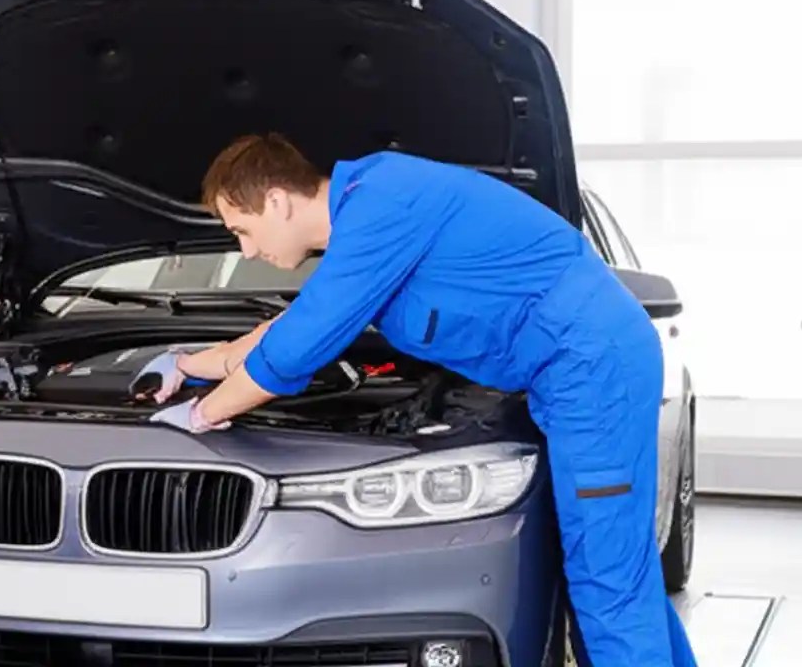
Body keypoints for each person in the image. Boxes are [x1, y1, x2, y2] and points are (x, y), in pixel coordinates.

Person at [142, 133, 698, 667]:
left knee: (605, 577)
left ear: (277, 201)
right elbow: (288, 327)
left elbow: (294, 351)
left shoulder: (384, 202)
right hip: (570, 374)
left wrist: (201, 415)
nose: (246, 250)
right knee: (621, 569)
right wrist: (188, 364)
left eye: (243, 230)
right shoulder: (367, 216)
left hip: (593, 368)